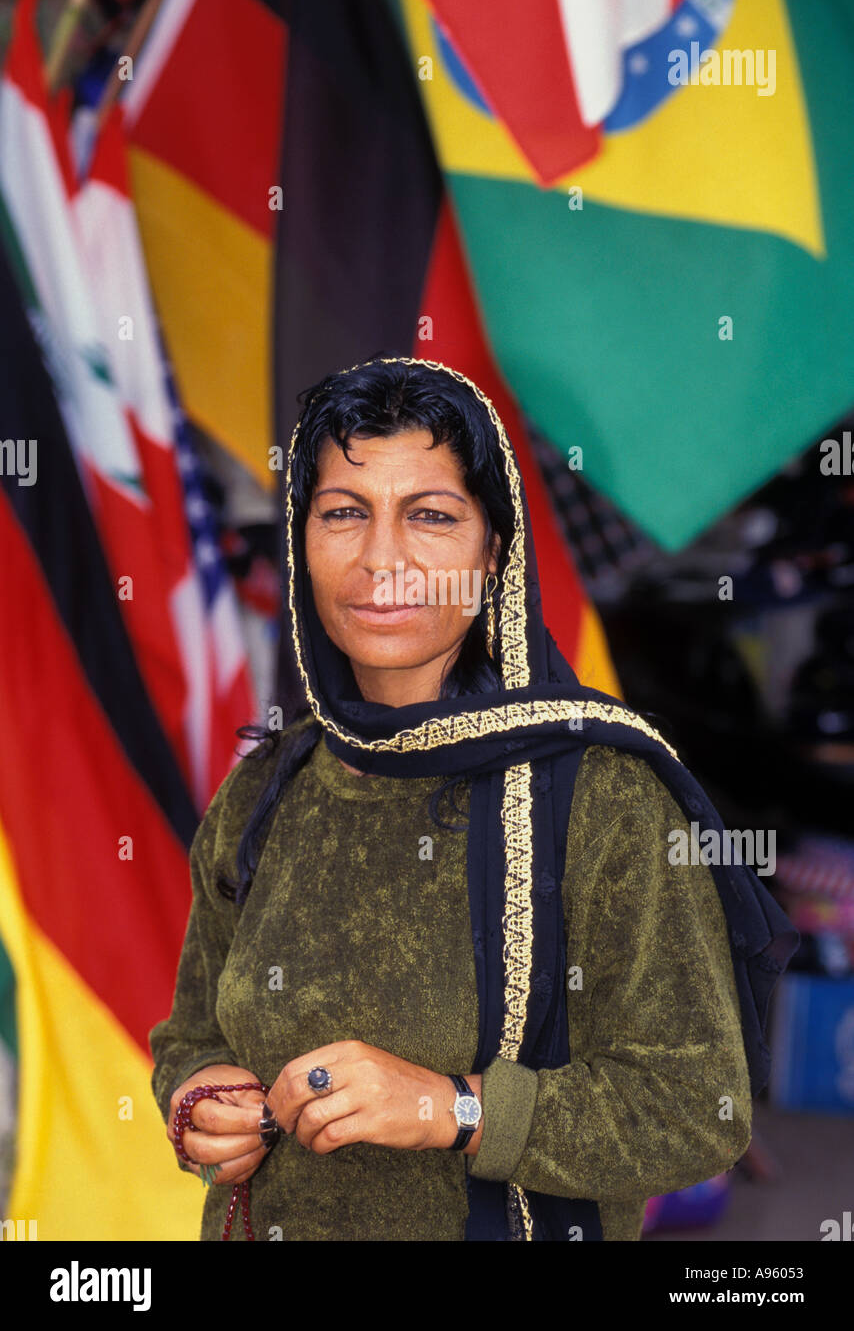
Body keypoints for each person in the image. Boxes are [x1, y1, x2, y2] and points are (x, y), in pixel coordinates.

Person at [150, 356, 798, 1241]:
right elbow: (190, 1033)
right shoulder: (268, 788)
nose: (383, 557)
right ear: (301, 543)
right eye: (344, 513)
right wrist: (200, 1098)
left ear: (493, 553)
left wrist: (447, 1108)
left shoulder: (599, 795)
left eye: (431, 516)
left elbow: (699, 1107)